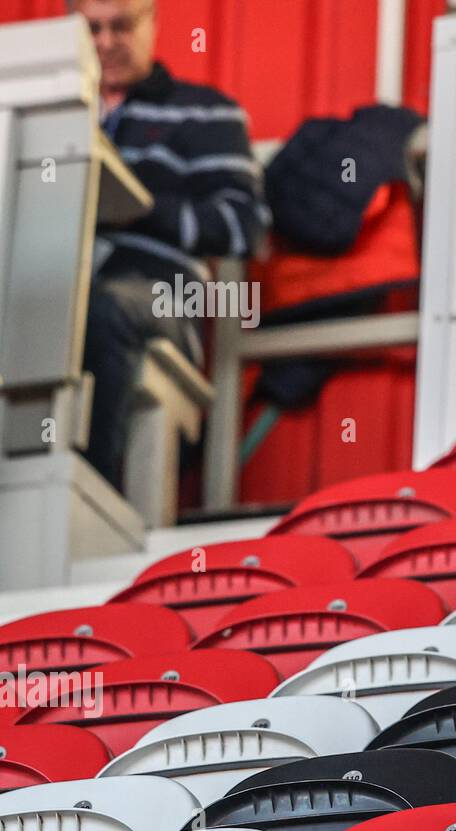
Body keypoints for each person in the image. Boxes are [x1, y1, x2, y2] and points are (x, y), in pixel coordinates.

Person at [71, 0, 267, 491]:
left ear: (152, 23)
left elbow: (245, 227)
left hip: (159, 297)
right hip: (57, 284)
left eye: (121, 26)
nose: (105, 42)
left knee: (101, 309)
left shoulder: (206, 111)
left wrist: (137, 202)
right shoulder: (56, 103)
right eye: (92, 28)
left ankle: (88, 492)